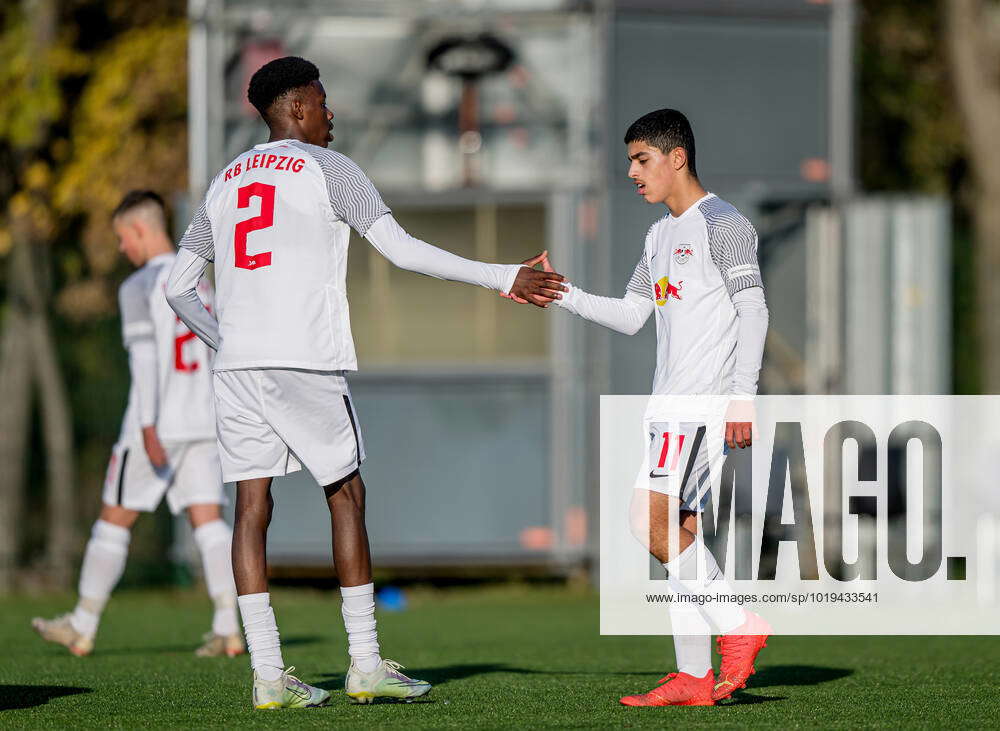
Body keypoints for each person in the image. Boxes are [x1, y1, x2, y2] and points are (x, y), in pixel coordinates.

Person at [165, 56, 566, 710]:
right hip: (304, 357)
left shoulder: (223, 181)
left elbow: (178, 287)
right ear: (295, 109)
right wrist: (504, 277)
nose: (332, 114)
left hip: (237, 367)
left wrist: (227, 341)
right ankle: (364, 663)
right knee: (345, 492)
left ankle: (269, 675)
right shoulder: (330, 169)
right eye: (322, 101)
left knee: (250, 508)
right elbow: (403, 250)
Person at [524, 109, 770, 706]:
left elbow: (754, 312)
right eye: (631, 160)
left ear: (676, 157)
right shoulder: (659, 236)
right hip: (668, 409)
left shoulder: (725, 224)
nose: (632, 172)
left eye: (641, 159)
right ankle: (692, 675)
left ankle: (739, 627)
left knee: (646, 522)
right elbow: (635, 315)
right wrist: (565, 295)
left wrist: (744, 398)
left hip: (702, 408)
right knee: (680, 531)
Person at [32, 191, 242, 659]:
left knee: (113, 520)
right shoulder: (199, 280)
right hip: (204, 418)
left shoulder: (138, 286)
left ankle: (82, 625)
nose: (122, 248)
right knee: (208, 522)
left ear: (142, 230)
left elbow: (147, 360)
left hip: (159, 423)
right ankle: (228, 626)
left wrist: (147, 425)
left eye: (123, 237)